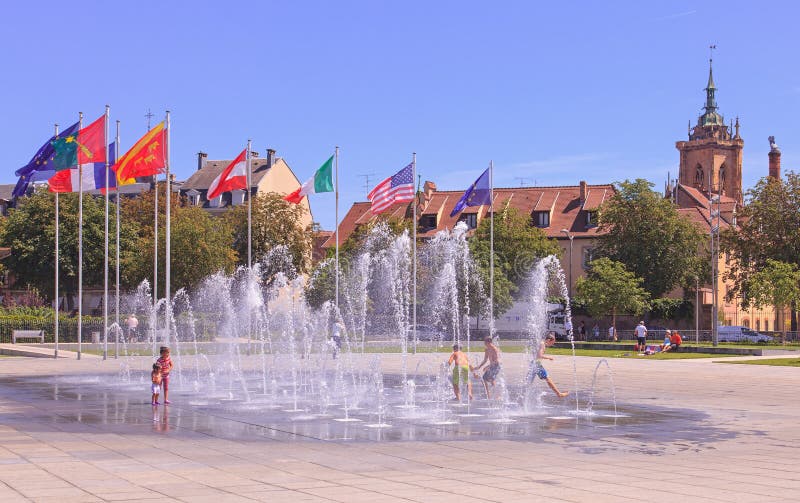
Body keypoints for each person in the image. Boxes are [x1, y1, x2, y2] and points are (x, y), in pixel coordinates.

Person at [528, 333, 569, 398]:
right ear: (548, 340)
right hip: (536, 364)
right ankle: (559, 394)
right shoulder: (542, 344)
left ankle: (523, 397)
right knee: (547, 378)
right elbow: (539, 355)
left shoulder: (541, 343)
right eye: (552, 342)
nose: (552, 344)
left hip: (533, 363)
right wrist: (549, 357)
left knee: (529, 382)